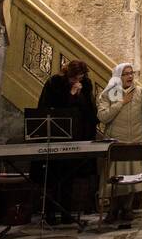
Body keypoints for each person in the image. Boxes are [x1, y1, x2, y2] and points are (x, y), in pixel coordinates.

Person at [36, 59, 98, 224]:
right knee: (53, 176)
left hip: (76, 134)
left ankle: (66, 212)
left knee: (69, 176)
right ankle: (50, 213)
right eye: (74, 78)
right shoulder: (55, 83)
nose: (77, 81)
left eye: (80, 77)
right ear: (68, 74)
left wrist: (79, 95)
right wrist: (70, 94)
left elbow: (89, 110)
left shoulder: (86, 83)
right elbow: (48, 107)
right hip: (57, 136)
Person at [97, 63, 142, 227]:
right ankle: (113, 209)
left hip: (135, 142)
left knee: (132, 177)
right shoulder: (109, 93)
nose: (130, 77)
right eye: (126, 74)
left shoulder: (140, 93)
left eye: (131, 73)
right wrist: (121, 102)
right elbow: (103, 116)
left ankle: (127, 208)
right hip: (116, 143)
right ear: (118, 76)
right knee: (114, 178)